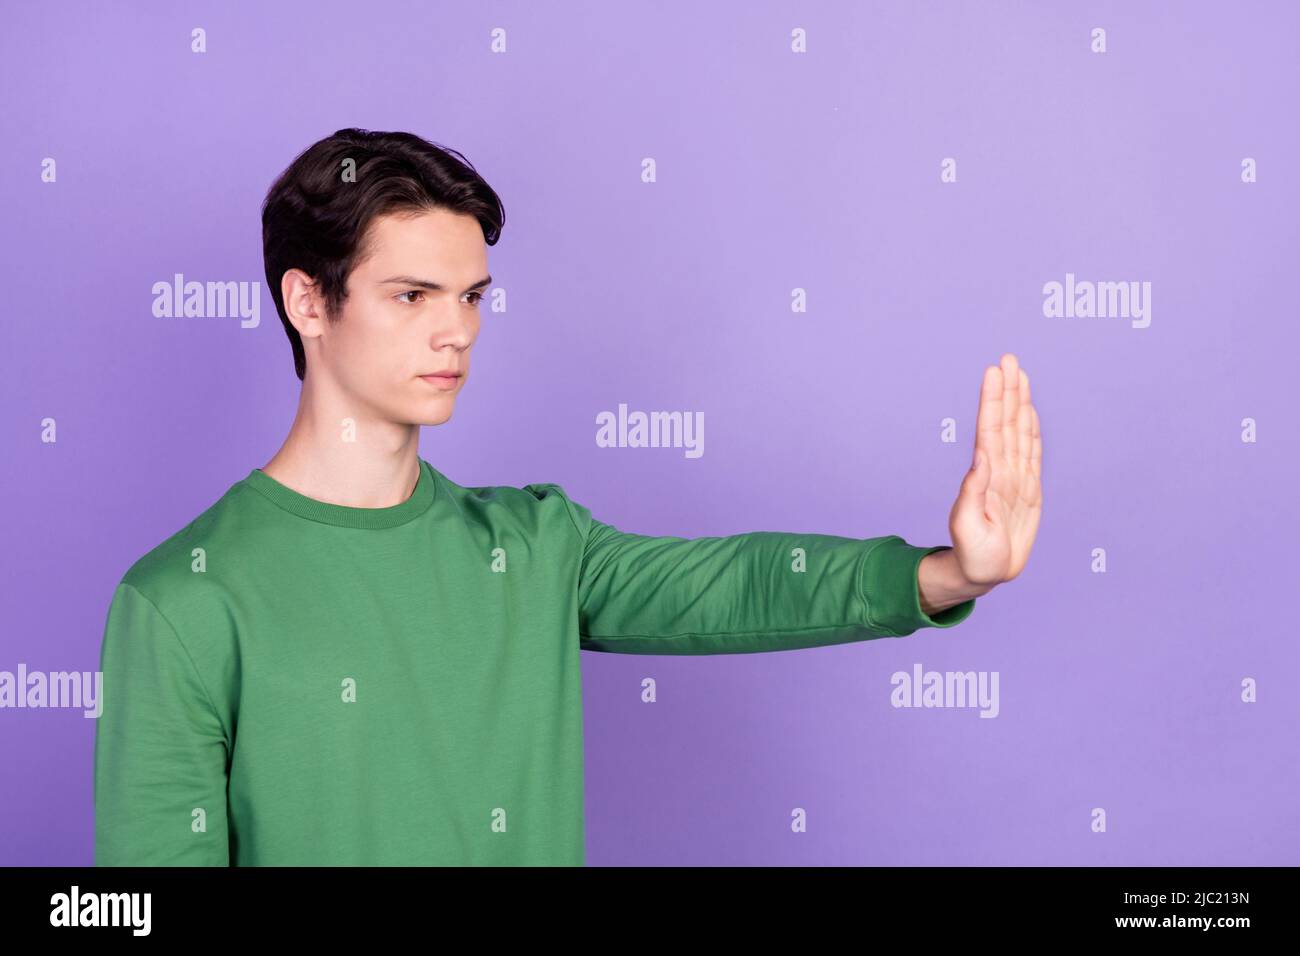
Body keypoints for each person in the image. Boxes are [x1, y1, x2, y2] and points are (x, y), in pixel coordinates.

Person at [93, 128, 1043, 866]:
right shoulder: (185, 599)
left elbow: (731, 585)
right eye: (413, 296)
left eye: (473, 297)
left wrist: (947, 574)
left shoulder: (533, 543)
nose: (456, 332)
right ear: (309, 302)